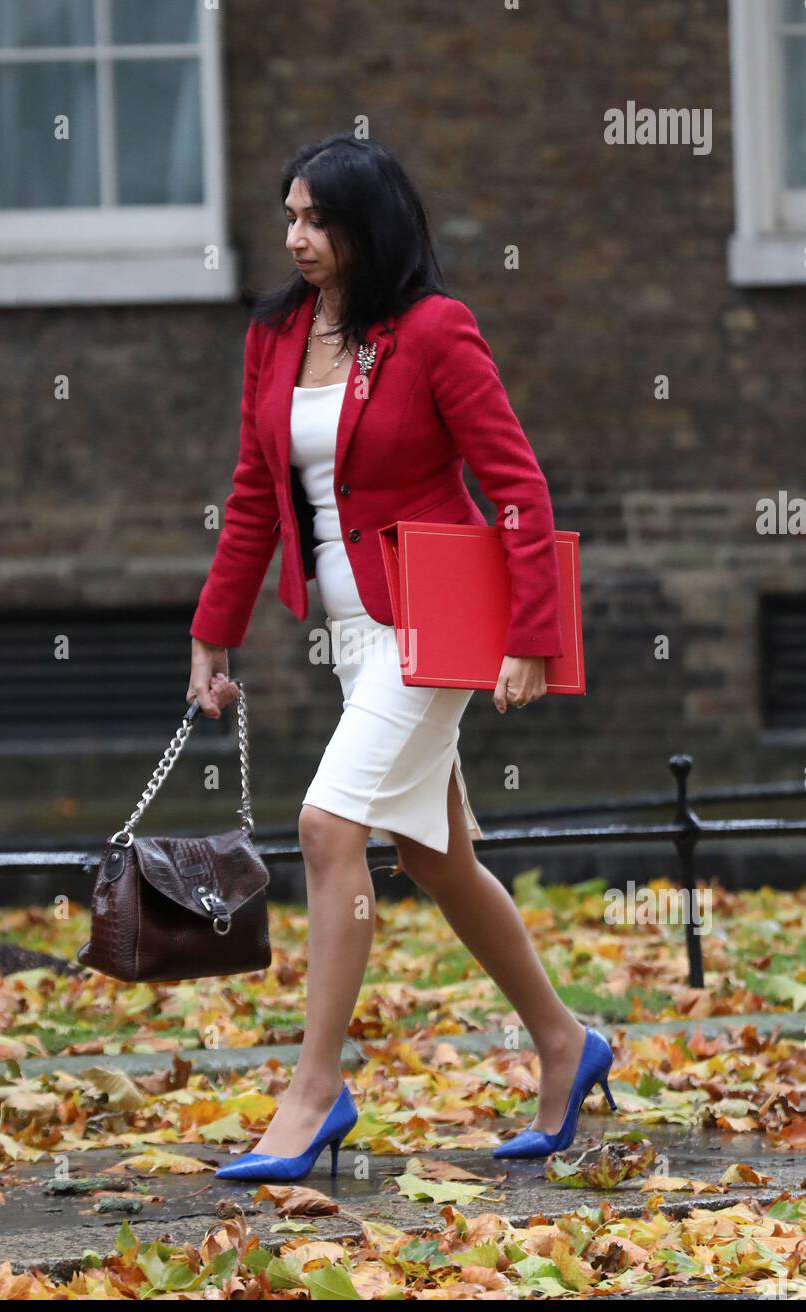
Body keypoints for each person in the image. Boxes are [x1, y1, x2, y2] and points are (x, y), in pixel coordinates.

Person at [186, 133, 614, 1180]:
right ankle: (566, 1042)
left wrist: (530, 636)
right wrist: (212, 628)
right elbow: (253, 490)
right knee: (434, 857)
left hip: (435, 629)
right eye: (287, 216)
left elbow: (515, 484)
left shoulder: (431, 332)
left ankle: (313, 1091)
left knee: (328, 826)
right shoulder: (277, 334)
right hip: (347, 635)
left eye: (317, 220)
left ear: (365, 225)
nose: (296, 237)